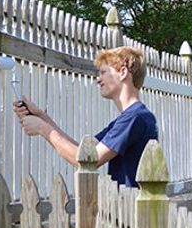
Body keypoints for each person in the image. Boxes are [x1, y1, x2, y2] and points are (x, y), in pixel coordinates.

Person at [13, 46, 158, 187]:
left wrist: (43, 129)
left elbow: (87, 161)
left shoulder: (134, 118)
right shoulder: (131, 117)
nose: (98, 79)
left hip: (130, 203)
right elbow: (83, 152)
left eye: (103, 72)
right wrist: (43, 118)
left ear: (123, 72)